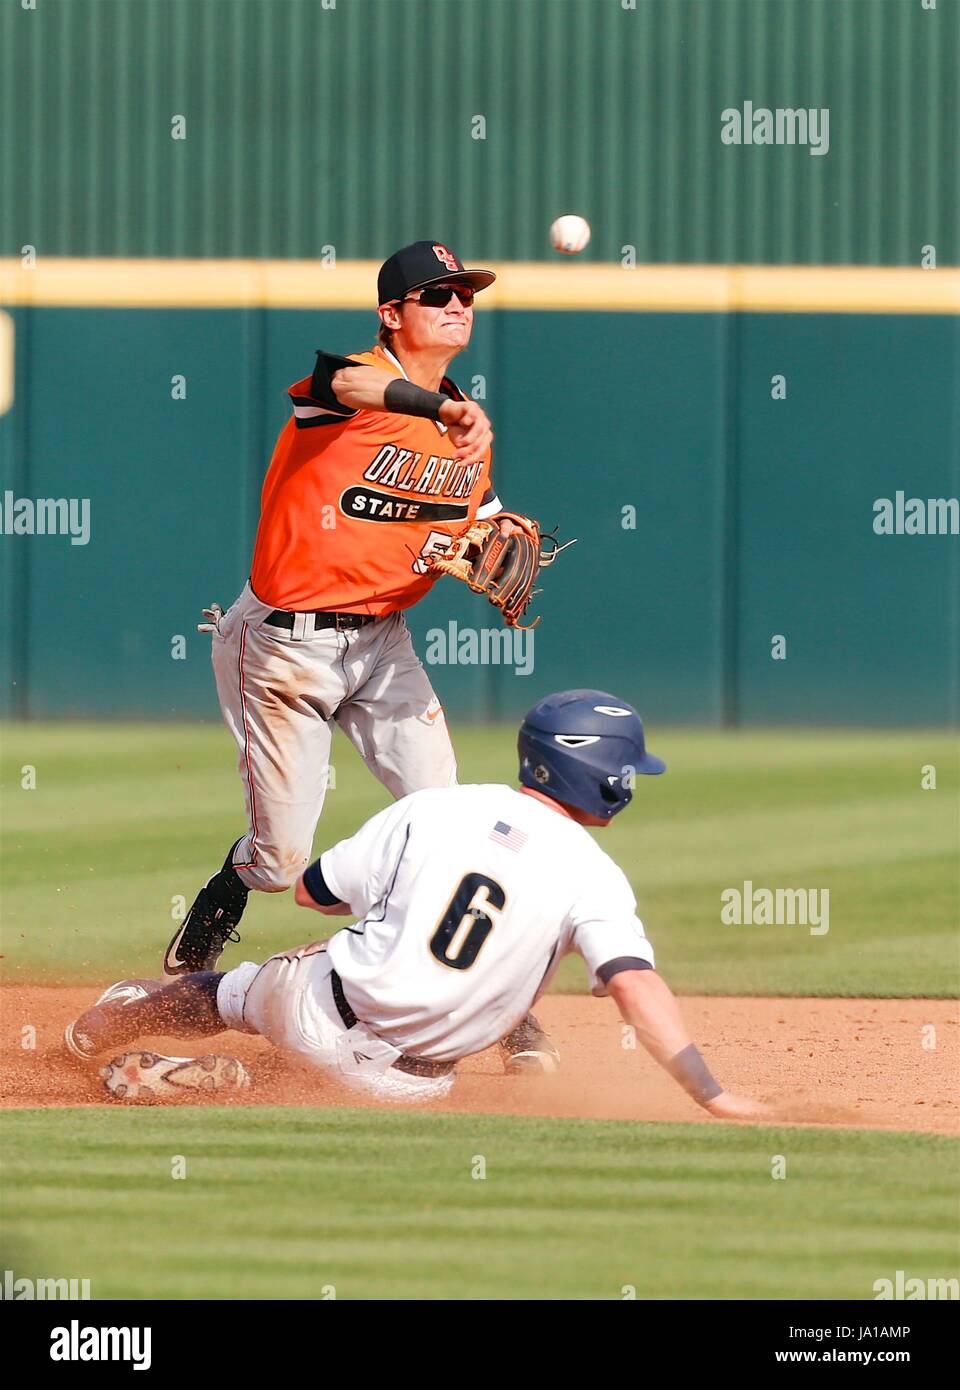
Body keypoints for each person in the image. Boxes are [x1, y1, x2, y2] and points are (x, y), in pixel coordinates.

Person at [162, 238, 556, 1071]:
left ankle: (501, 1006)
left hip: (383, 643)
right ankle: (233, 886)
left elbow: (480, 519)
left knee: (451, 823)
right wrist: (434, 407)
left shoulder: (466, 427)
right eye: (436, 294)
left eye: (465, 294)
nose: (456, 305)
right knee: (283, 861)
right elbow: (341, 382)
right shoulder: (353, 386)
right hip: (282, 645)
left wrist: (494, 533)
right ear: (392, 313)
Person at [68, 690, 764, 1120]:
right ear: (605, 777)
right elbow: (634, 984)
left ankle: (112, 1020)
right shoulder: (595, 875)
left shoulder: (437, 809)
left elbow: (313, 892)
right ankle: (227, 1085)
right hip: (402, 1086)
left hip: (309, 1002)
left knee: (228, 995)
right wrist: (710, 1093)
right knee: (334, 1079)